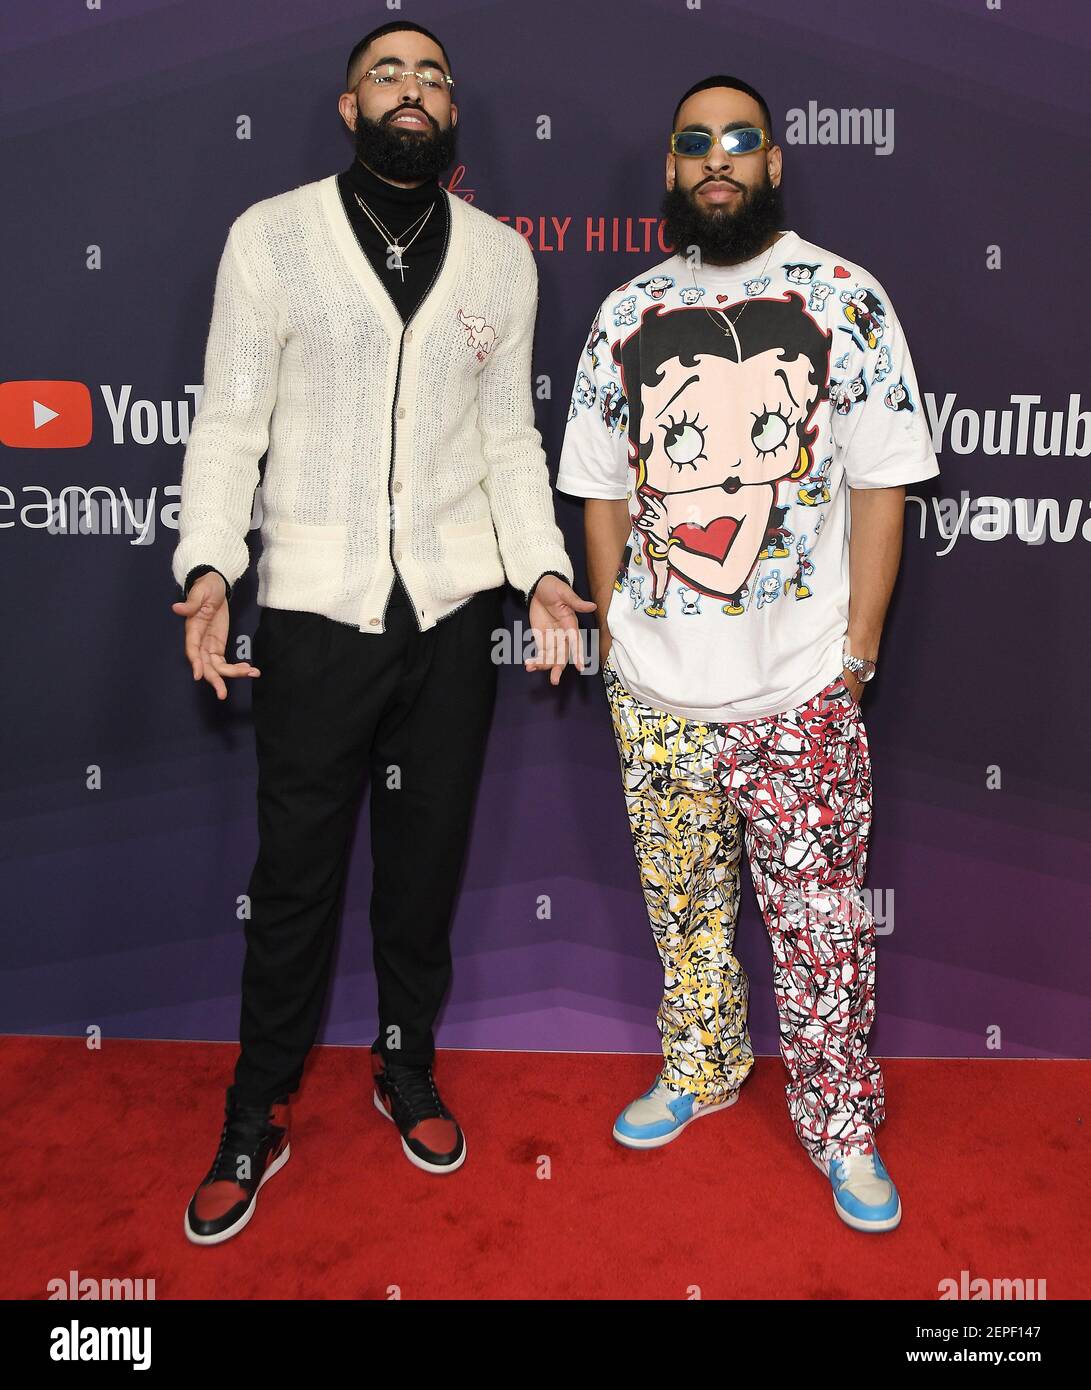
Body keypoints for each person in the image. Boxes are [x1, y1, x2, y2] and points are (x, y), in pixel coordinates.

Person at [171, 20, 590, 1245]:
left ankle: (403, 1068)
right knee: (293, 881)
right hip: (313, 616)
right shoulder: (273, 237)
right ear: (350, 107)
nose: (415, 89)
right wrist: (209, 565)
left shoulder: (503, 261)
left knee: (420, 875)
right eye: (390, 73)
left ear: (452, 114)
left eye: (435, 76)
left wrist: (546, 570)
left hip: (453, 620)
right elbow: (227, 420)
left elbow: (511, 440)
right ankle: (256, 1108)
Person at [556, 74, 939, 1233]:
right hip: (656, 690)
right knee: (683, 910)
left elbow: (882, 485)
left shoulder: (844, 297)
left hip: (799, 689)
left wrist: (854, 654)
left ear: (772, 161)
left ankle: (836, 1119)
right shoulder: (624, 313)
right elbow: (599, 487)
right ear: (670, 170)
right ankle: (703, 1064)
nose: (715, 159)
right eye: (692, 144)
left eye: (738, 142)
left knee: (821, 926)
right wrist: (619, 624)